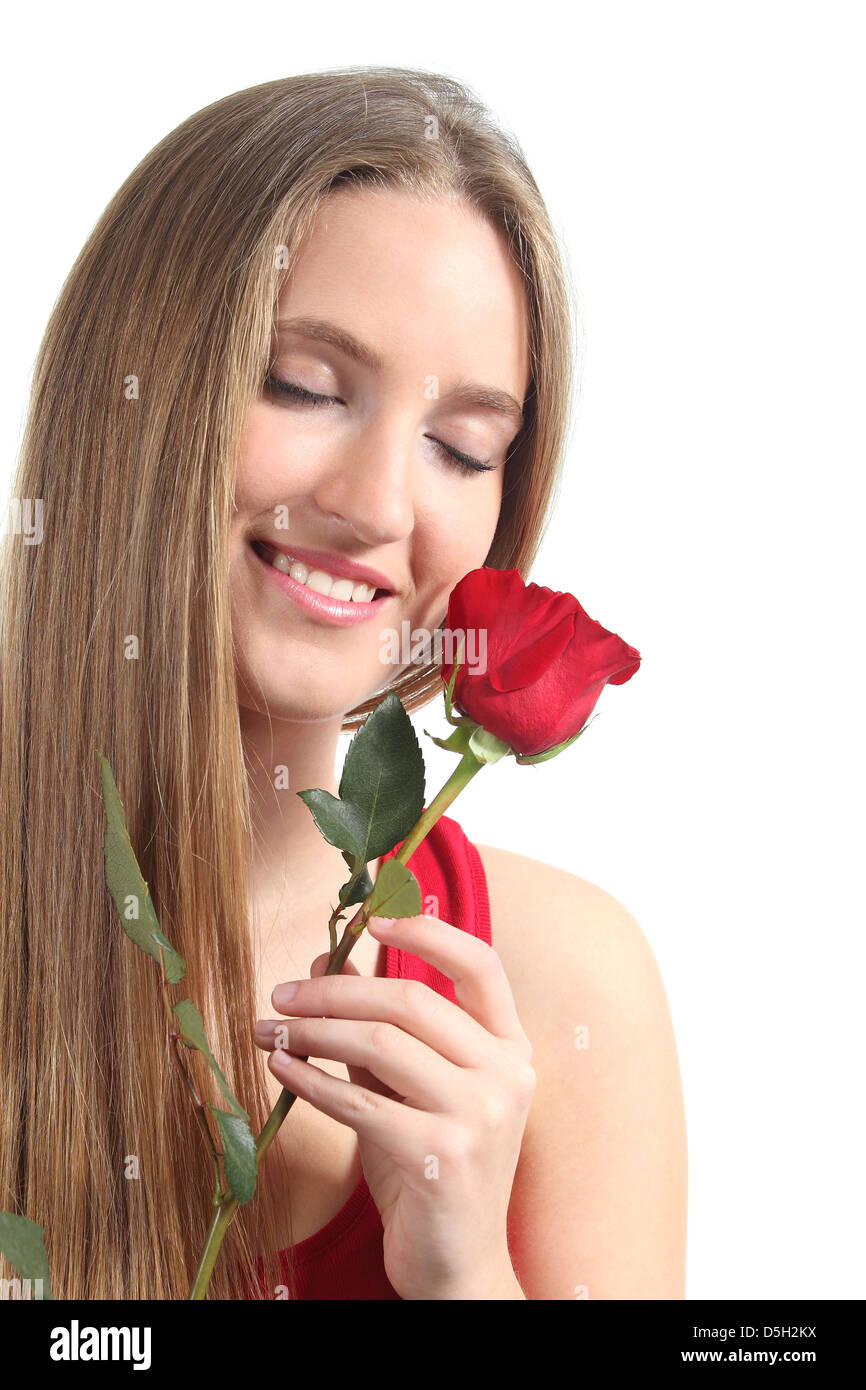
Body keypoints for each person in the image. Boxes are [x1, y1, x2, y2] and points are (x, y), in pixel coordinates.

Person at [0, 66, 686, 1300]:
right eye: (307, 386)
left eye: (460, 447)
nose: (376, 504)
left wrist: (465, 1275)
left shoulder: (567, 986)